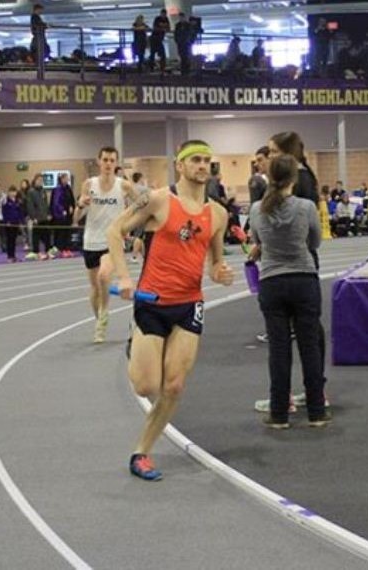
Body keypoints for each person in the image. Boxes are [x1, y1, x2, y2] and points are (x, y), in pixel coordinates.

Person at [100, 139, 235, 480]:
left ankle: (141, 452)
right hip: (152, 303)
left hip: (189, 304)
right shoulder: (158, 200)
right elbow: (114, 231)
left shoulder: (218, 213)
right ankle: (138, 346)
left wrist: (221, 273)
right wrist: (125, 277)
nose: (203, 166)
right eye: (196, 160)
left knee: (174, 386)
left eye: (207, 160)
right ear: (181, 165)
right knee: (147, 387)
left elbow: (216, 263)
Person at [248, 154, 327, 429]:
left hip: (272, 281)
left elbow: (256, 241)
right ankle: (316, 411)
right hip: (304, 279)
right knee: (310, 348)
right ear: (294, 178)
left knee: (279, 351)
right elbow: (315, 241)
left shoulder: (257, 209)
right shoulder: (306, 207)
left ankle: (279, 413)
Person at [74, 147, 140, 343]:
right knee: (95, 287)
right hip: (90, 241)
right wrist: (80, 205)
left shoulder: (124, 186)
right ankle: (101, 317)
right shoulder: (88, 184)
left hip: (112, 240)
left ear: (116, 163)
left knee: (104, 275)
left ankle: (102, 318)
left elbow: (142, 207)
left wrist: (128, 224)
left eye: (112, 160)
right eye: (105, 160)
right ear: (99, 161)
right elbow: (76, 219)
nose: (109, 164)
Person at [23, 175, 52, 260]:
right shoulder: (31, 192)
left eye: (41, 180)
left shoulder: (43, 191)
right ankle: (36, 252)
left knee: (47, 235)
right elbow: (30, 206)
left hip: (44, 217)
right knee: (36, 236)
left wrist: (49, 214)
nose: (40, 181)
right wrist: (33, 217)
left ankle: (47, 251)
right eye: (38, 180)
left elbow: (46, 204)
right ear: (34, 181)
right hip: (36, 219)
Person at [49, 173, 75, 253]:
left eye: (68, 179)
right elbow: (56, 202)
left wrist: (71, 206)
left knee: (67, 232)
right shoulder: (58, 189)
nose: (67, 180)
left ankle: (66, 248)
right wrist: (62, 210)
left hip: (68, 215)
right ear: (61, 179)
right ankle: (59, 248)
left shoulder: (68, 188)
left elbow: (71, 199)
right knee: (60, 233)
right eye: (66, 178)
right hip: (60, 216)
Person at [2, 186, 24, 262]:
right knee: (9, 240)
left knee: (14, 240)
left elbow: (20, 212)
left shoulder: (17, 201)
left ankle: (13, 256)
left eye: (14, 192)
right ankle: (9, 256)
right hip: (9, 223)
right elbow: (4, 213)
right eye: (11, 192)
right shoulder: (6, 201)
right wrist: (6, 221)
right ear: (8, 192)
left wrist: (21, 222)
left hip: (16, 223)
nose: (13, 193)